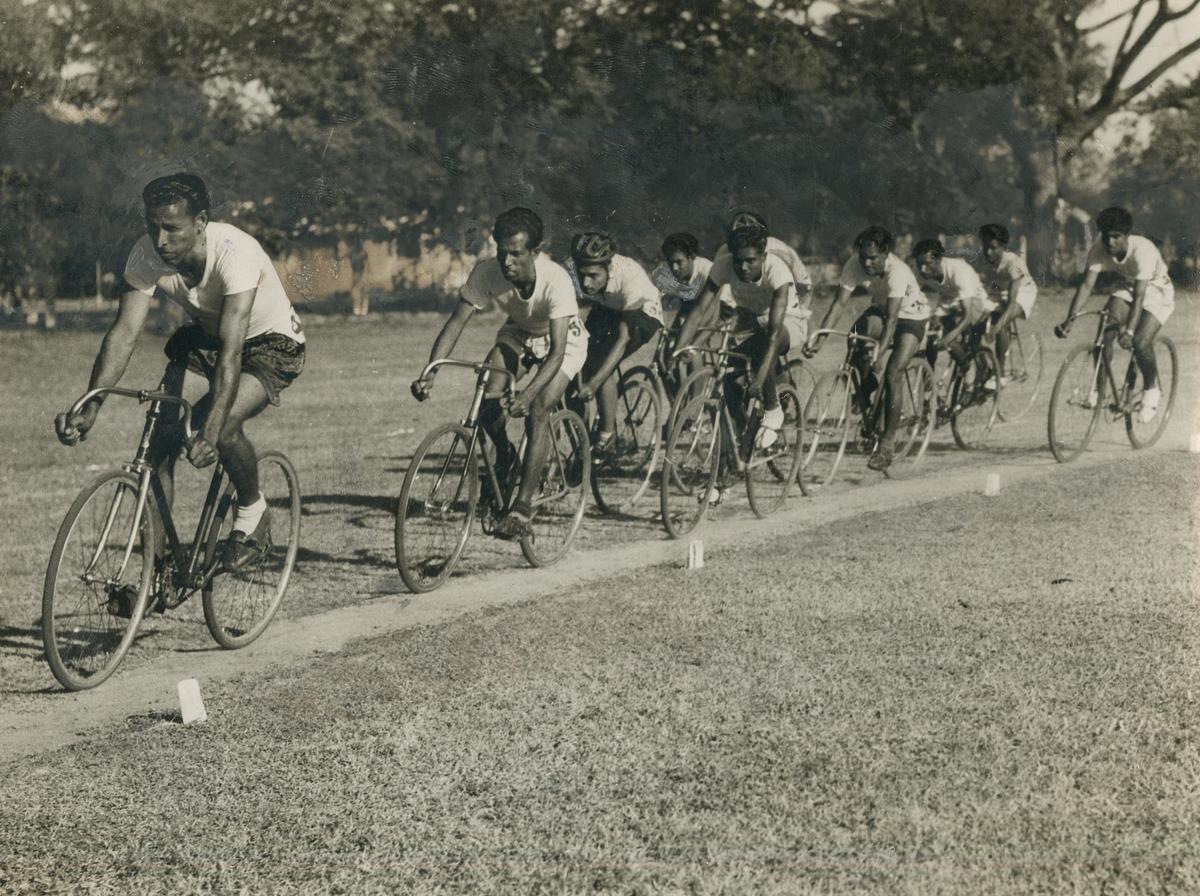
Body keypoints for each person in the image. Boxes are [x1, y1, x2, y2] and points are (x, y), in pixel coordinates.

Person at [54, 173, 306, 607]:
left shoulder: (235, 254)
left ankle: (253, 511)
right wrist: (89, 405)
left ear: (202, 222)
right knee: (157, 449)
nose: (160, 239)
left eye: (172, 228)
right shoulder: (146, 254)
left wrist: (208, 430)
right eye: (153, 226)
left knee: (223, 427)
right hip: (208, 339)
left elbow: (232, 355)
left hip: (268, 345)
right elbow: (123, 333)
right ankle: (161, 576)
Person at [411, 207, 587, 541]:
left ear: (536, 252)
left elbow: (558, 352)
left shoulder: (557, 280)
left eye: (517, 254)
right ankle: (505, 455)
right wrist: (429, 371)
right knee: (486, 393)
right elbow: (455, 324)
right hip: (519, 333)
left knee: (539, 409)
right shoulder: (487, 272)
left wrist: (528, 393)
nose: (507, 262)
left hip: (563, 343)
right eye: (502, 252)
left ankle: (522, 509)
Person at [808, 225, 930, 471]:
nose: (867, 262)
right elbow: (839, 304)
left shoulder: (898, 271)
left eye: (873, 258)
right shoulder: (855, 264)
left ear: (886, 253)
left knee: (893, 372)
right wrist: (820, 338)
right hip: (883, 311)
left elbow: (894, 320)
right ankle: (866, 389)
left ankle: (886, 445)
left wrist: (880, 352)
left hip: (910, 317)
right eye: (863, 256)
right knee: (855, 337)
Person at [675, 223, 806, 452]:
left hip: (787, 321)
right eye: (738, 261)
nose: (743, 267)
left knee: (762, 348)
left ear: (763, 257)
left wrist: (760, 378)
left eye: (750, 261)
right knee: (730, 382)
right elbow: (699, 309)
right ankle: (743, 439)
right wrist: (679, 347)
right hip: (751, 318)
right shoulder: (724, 265)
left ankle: (774, 410)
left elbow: (774, 335)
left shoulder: (778, 271)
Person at [1055, 206, 1174, 424]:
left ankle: (1152, 389)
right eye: (1106, 236)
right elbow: (1085, 287)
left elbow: (1140, 298)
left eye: (1116, 237)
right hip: (1128, 288)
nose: (1110, 243)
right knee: (1104, 336)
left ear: (1127, 236)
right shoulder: (1099, 250)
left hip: (1157, 292)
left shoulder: (1143, 252)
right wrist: (1069, 319)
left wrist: (1128, 330)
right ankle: (1098, 392)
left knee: (1140, 342)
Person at [567, 232, 664, 454]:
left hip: (643, 313)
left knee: (602, 363)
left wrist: (592, 384)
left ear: (609, 269)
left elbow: (622, 341)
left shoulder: (629, 277)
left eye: (593, 276)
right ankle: (582, 447)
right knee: (576, 365)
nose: (586, 283)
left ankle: (607, 436)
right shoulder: (585, 277)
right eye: (582, 276)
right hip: (609, 307)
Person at [712, 210, 813, 320]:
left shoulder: (775, 247)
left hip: (783, 290)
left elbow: (801, 280)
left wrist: (801, 308)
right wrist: (725, 301)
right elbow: (721, 278)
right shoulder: (724, 251)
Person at [912, 238, 988, 371]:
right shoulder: (920, 273)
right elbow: (909, 295)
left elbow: (967, 316)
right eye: (919, 264)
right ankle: (928, 375)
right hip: (949, 301)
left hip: (974, 300)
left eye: (927, 264)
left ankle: (968, 368)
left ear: (938, 260)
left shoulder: (959, 271)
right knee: (932, 330)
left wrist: (948, 339)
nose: (923, 269)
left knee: (950, 335)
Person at [976, 223, 1038, 386]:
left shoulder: (1012, 262)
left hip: (1023, 292)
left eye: (993, 248)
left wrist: (994, 330)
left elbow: (1011, 303)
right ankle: (982, 369)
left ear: (1003, 247)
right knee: (974, 325)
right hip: (999, 290)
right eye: (985, 247)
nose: (988, 252)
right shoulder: (985, 259)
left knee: (1001, 322)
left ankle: (1000, 373)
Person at [651, 231, 713, 336]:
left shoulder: (708, 271)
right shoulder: (665, 272)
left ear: (692, 256)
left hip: (716, 308)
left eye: (679, 262)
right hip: (691, 304)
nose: (674, 268)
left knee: (689, 343)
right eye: (671, 262)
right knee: (670, 342)